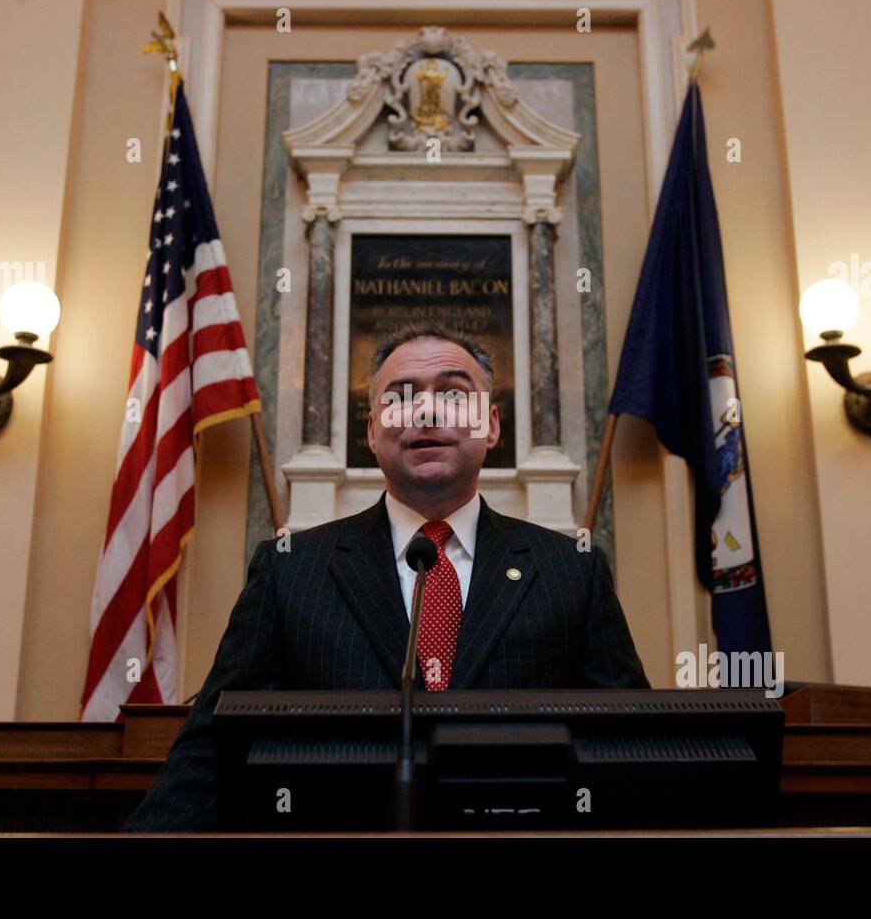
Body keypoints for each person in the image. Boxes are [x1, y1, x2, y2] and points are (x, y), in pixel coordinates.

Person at [123, 323, 649, 831]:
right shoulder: (289, 569)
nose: (426, 409)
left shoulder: (572, 570)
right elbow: (214, 748)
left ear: (491, 426)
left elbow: (630, 750)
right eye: (401, 396)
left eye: (453, 393)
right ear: (373, 432)